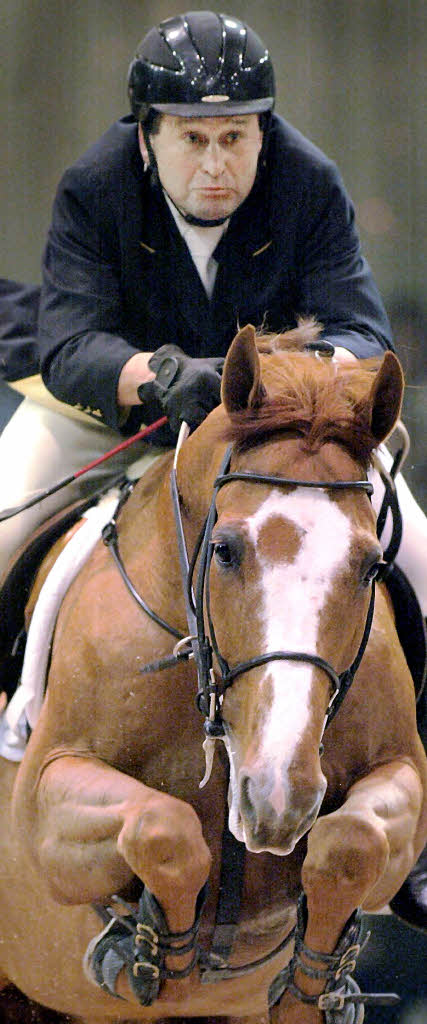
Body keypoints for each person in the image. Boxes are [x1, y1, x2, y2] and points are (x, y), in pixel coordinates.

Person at [0, 9, 425, 925]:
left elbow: (359, 327)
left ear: (260, 134)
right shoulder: (96, 185)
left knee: (419, 547)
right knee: (1, 519)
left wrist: (271, 386)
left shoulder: (306, 181)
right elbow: (69, 342)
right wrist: (159, 374)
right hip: (116, 407)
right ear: (147, 140)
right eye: (192, 138)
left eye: (235, 136)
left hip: (271, 428)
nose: (217, 161)